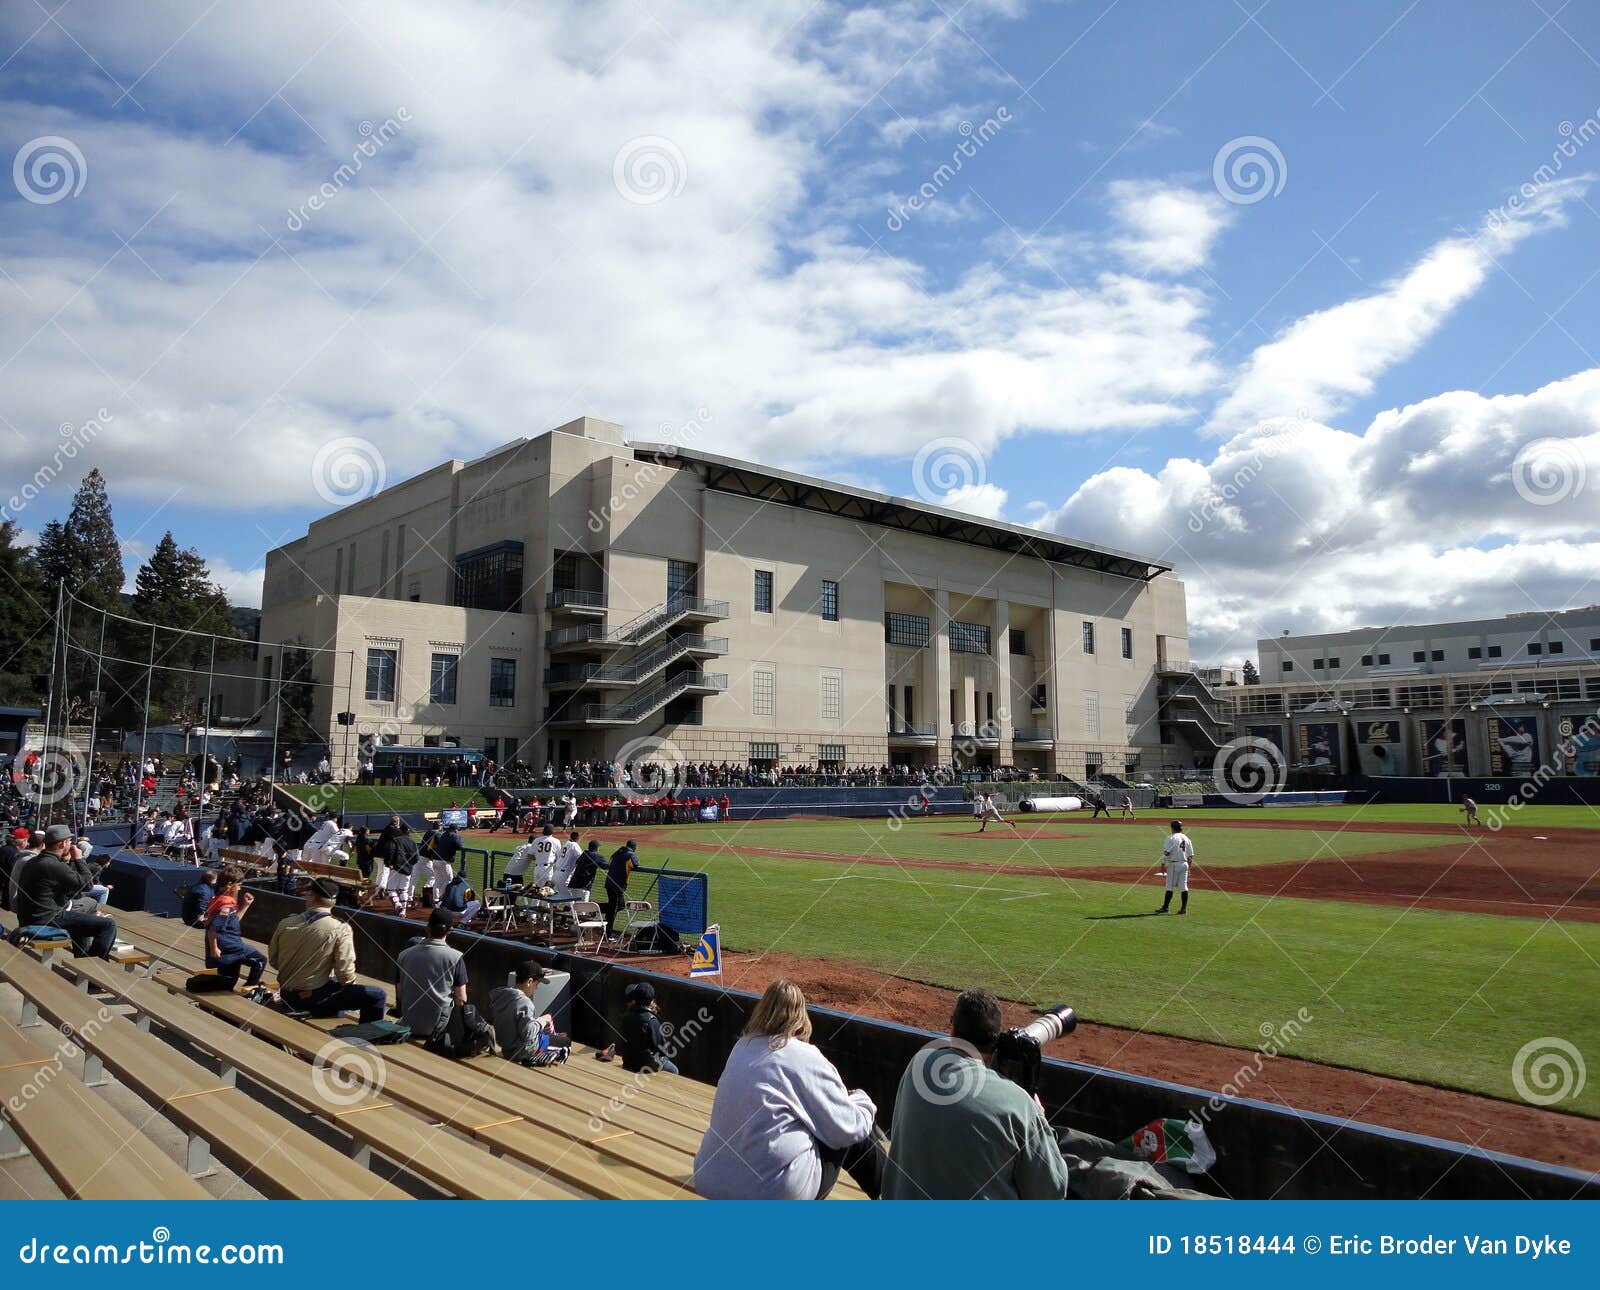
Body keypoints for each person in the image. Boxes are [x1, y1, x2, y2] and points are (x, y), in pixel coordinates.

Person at [694, 979, 887, 1200]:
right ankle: (896, 1195)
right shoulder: (805, 1054)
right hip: (771, 1195)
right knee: (853, 1128)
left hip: (709, 1180)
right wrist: (863, 1100)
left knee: (821, 1119)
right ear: (800, 1015)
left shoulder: (741, 1046)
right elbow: (848, 1127)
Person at [882, 989, 1070, 1200]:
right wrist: (1038, 1117)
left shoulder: (919, 1064)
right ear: (995, 1037)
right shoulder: (1019, 1105)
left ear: (953, 1029)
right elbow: (1052, 1191)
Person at [267, 876, 387, 1022]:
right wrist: (349, 988)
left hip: (287, 994)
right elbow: (345, 974)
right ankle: (366, 1039)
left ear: (310, 897)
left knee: (335, 987)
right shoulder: (340, 928)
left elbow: (273, 961)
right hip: (314, 1000)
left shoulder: (285, 922)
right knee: (377, 994)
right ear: (333, 901)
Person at [12, 824, 117, 958]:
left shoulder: (34, 862)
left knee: (83, 920)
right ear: (62, 844)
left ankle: (85, 961)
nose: (71, 844)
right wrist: (79, 858)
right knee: (108, 925)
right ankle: (93, 967)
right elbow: (88, 885)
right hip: (46, 919)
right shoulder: (52, 864)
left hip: (30, 918)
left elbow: (71, 889)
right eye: (69, 841)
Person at [396, 910, 468, 1041]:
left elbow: (400, 995)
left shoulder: (403, 955)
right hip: (440, 1031)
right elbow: (461, 999)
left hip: (408, 1026)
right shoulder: (456, 957)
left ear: (427, 928)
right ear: (449, 931)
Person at [203, 868, 265, 987]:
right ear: (230, 885)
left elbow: (233, 920)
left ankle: (203, 997)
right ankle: (249, 990)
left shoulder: (219, 900)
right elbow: (213, 928)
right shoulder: (226, 906)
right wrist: (214, 949)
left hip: (227, 948)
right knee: (260, 960)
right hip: (230, 946)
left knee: (229, 981)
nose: (240, 888)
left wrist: (246, 905)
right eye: (239, 885)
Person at [490, 960, 557, 1063]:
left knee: (546, 1035)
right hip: (522, 1051)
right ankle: (536, 1060)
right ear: (529, 982)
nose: (536, 988)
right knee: (565, 1043)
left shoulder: (502, 996)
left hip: (506, 1049)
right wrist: (544, 1019)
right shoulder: (525, 1002)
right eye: (536, 984)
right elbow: (528, 1033)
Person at [618, 981, 676, 1074]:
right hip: (646, 1066)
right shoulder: (651, 1020)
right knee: (674, 1070)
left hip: (628, 1062)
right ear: (651, 1000)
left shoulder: (626, 1016)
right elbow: (661, 1047)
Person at [1157, 819, 1195, 915]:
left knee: (1169, 886)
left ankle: (1165, 907)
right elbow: (1191, 856)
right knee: (1184, 887)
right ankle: (1183, 909)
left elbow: (1166, 853)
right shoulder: (1187, 838)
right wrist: (1189, 868)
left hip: (1174, 865)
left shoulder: (1170, 838)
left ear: (1172, 827)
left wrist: (1162, 865)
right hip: (1184, 864)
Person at [603, 839, 636, 933]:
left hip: (609, 883)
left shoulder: (617, 852)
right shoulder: (630, 854)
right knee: (616, 907)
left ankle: (596, 908)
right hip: (617, 885)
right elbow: (635, 864)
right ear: (634, 848)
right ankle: (608, 933)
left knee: (615, 906)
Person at [569, 838, 602, 904]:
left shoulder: (583, 854)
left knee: (574, 907)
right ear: (596, 848)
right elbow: (604, 866)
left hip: (573, 884)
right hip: (583, 886)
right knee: (582, 909)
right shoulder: (595, 856)